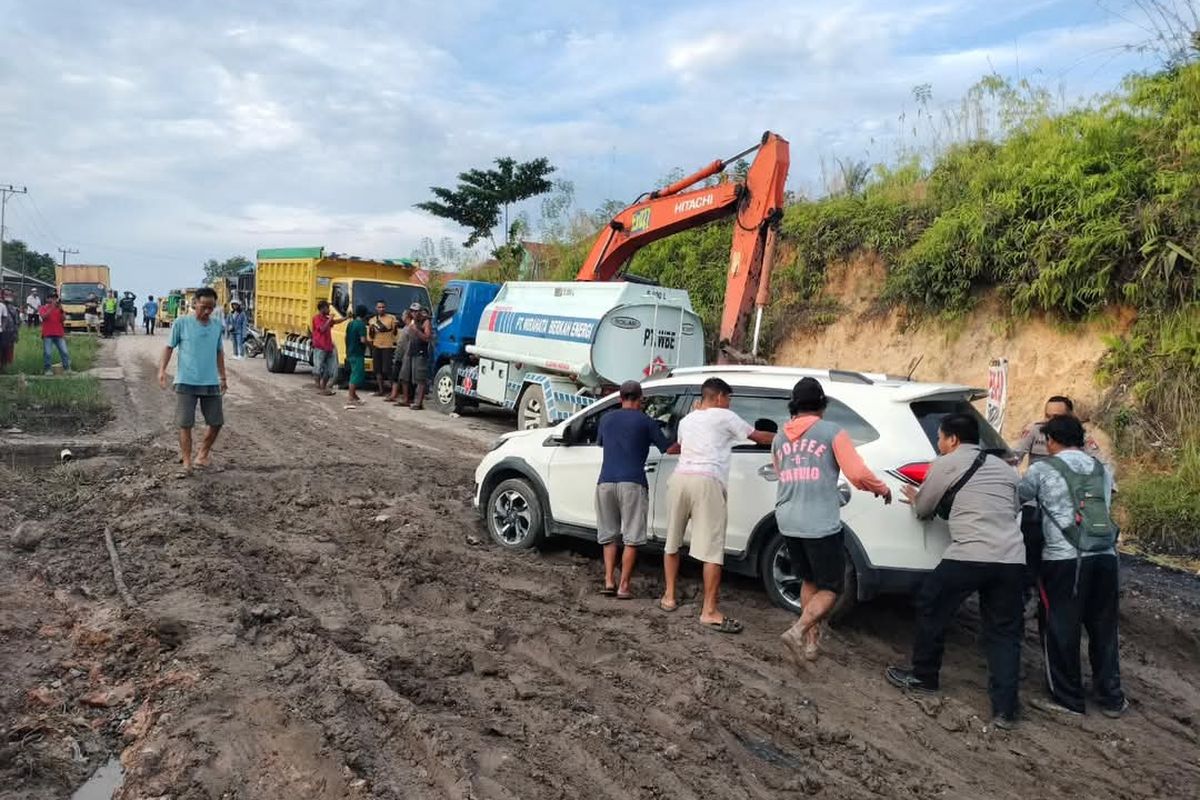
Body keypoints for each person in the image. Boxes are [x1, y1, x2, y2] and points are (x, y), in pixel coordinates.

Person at [885, 413, 1026, 729]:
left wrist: (915, 498)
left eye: (939, 438)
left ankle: (924, 676)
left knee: (931, 604)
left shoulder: (945, 464)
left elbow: (924, 509)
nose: (938, 444)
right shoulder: (1005, 469)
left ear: (952, 440)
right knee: (1004, 633)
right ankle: (1006, 709)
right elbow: (1012, 508)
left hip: (970, 554)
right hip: (1012, 559)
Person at [774, 378, 892, 663]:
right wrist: (882, 489)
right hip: (819, 523)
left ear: (795, 405)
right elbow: (857, 473)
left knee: (809, 580)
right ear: (822, 405)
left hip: (787, 519)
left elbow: (780, 472)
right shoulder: (831, 432)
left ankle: (811, 644)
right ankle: (798, 630)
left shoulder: (780, 437)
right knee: (832, 587)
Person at [1019, 415, 1126, 719]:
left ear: (1051, 440)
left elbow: (1019, 502)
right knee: (1104, 627)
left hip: (1065, 559)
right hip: (1106, 556)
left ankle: (1068, 700)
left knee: (1060, 626)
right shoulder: (1101, 469)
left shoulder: (1041, 469)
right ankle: (1111, 697)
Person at [660, 377, 774, 633]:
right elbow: (759, 437)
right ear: (720, 397)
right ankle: (709, 611)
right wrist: (787, 437)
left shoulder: (687, 420)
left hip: (679, 479)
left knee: (672, 541)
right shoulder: (725, 416)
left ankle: (669, 596)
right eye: (729, 398)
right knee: (712, 551)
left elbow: (680, 446)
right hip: (707, 481)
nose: (730, 403)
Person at [595, 380, 670, 598]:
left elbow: (601, 443)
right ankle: (623, 586)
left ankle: (609, 581)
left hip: (605, 482)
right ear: (640, 399)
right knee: (631, 538)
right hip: (633, 483)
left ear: (620, 398)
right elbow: (668, 447)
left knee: (608, 536)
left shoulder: (606, 419)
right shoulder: (646, 422)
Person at [157, 287, 226, 476]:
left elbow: (219, 352)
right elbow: (169, 347)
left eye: (211, 308)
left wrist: (223, 377)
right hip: (186, 381)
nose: (207, 311)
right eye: (203, 307)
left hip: (210, 382)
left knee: (216, 422)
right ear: (194, 303)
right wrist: (162, 370)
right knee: (185, 423)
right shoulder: (181, 323)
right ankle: (187, 462)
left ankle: (202, 455)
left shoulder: (216, 326)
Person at [388, 302, 432, 409]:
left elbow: (427, 338)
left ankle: (418, 403)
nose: (414, 313)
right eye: (412, 311)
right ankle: (406, 399)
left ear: (420, 311)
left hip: (420, 352)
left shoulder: (425, 322)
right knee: (404, 376)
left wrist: (416, 331)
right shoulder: (412, 321)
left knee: (420, 378)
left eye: (416, 311)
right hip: (410, 352)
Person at [311, 300, 348, 396]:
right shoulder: (317, 318)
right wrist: (329, 319)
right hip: (320, 347)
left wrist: (346, 318)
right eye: (327, 308)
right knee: (318, 368)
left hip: (328, 347)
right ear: (322, 308)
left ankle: (323, 387)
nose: (329, 310)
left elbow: (335, 322)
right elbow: (322, 329)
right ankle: (318, 387)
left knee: (329, 369)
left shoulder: (326, 318)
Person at [366, 300, 399, 397]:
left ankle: (394, 390)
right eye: (379, 307)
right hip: (376, 346)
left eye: (383, 307)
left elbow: (395, 333)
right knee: (377, 370)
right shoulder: (372, 320)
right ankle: (381, 390)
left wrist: (396, 326)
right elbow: (371, 336)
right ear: (376, 308)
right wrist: (372, 329)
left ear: (385, 308)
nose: (381, 309)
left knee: (387, 369)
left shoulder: (391, 318)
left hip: (387, 346)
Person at [38, 291, 71, 374]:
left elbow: (63, 319)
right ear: (47, 299)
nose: (54, 300)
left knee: (64, 352)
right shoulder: (43, 308)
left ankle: (67, 368)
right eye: (52, 298)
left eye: (55, 298)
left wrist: (61, 310)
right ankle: (47, 369)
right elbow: (43, 317)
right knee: (48, 353)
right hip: (48, 334)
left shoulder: (59, 309)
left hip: (59, 334)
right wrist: (52, 307)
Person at [343, 305, 369, 408]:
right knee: (356, 375)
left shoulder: (350, 323)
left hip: (350, 351)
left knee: (353, 373)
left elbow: (346, 337)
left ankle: (354, 395)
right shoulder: (361, 325)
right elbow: (363, 340)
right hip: (358, 353)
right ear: (365, 315)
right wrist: (370, 345)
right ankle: (350, 397)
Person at [0, 291, 18, 372]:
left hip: (9, 333)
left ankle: (6, 368)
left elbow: (16, 323)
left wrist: (16, 334)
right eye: (5, 295)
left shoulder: (13, 309)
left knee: (8, 351)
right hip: (2, 332)